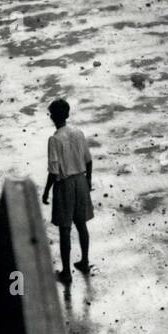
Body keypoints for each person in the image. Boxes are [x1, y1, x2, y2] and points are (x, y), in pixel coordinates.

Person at [41, 98, 94, 285]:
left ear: (53, 117)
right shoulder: (78, 133)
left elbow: (54, 171)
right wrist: (88, 180)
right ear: (68, 114)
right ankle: (85, 262)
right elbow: (88, 160)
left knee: (65, 228)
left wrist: (46, 191)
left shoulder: (54, 139)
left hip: (65, 184)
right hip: (81, 180)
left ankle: (66, 273)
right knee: (81, 224)